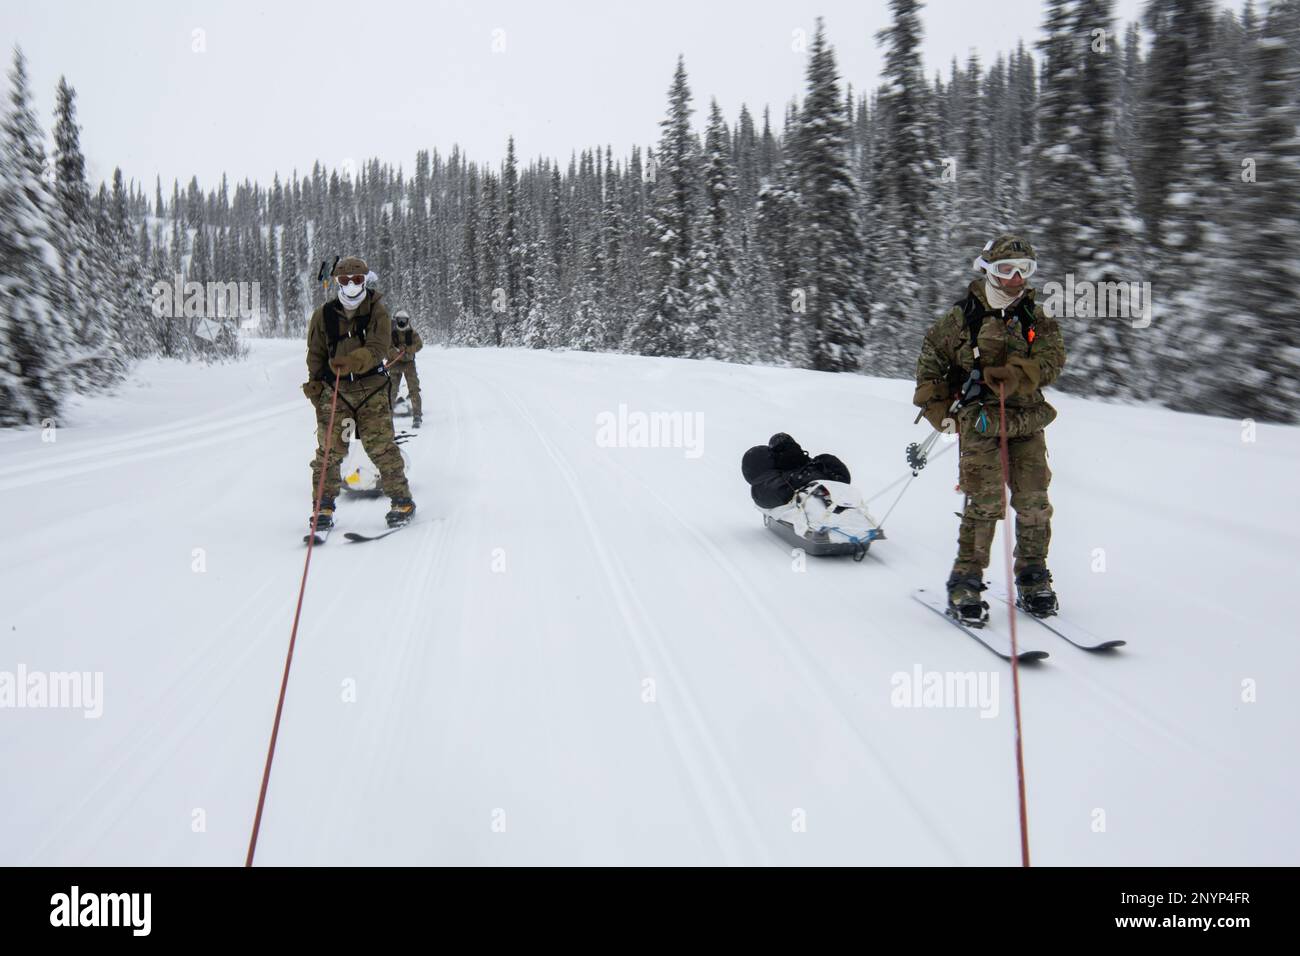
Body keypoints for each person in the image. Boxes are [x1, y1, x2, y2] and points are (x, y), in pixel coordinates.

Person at [912, 235, 1066, 624]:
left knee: (1034, 502)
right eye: (1005, 270)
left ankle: (1033, 577)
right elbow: (931, 364)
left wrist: (1018, 376)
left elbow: (1052, 360)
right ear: (987, 271)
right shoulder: (961, 318)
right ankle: (966, 580)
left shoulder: (1035, 317)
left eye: (1023, 270)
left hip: (1027, 421)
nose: (1015, 279)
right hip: (979, 422)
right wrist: (938, 410)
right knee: (984, 504)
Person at [301, 256, 416, 532]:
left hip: (371, 388)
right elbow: (315, 353)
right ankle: (323, 507)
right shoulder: (323, 315)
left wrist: (353, 361)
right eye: (344, 280)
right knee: (329, 451)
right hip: (336, 390)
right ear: (337, 283)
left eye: (357, 280)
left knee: (381, 447)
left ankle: (402, 501)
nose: (351, 285)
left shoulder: (378, 311)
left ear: (365, 280)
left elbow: (378, 348)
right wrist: (315, 387)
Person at [389, 308, 424, 428]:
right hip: (394, 364)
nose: (402, 322)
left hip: (409, 364)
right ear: (396, 320)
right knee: (391, 390)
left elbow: (419, 345)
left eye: (404, 320)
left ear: (407, 320)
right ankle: (387, 415)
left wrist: (407, 350)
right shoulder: (391, 333)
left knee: (414, 389)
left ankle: (417, 416)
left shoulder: (412, 332)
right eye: (400, 320)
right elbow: (385, 349)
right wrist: (396, 353)